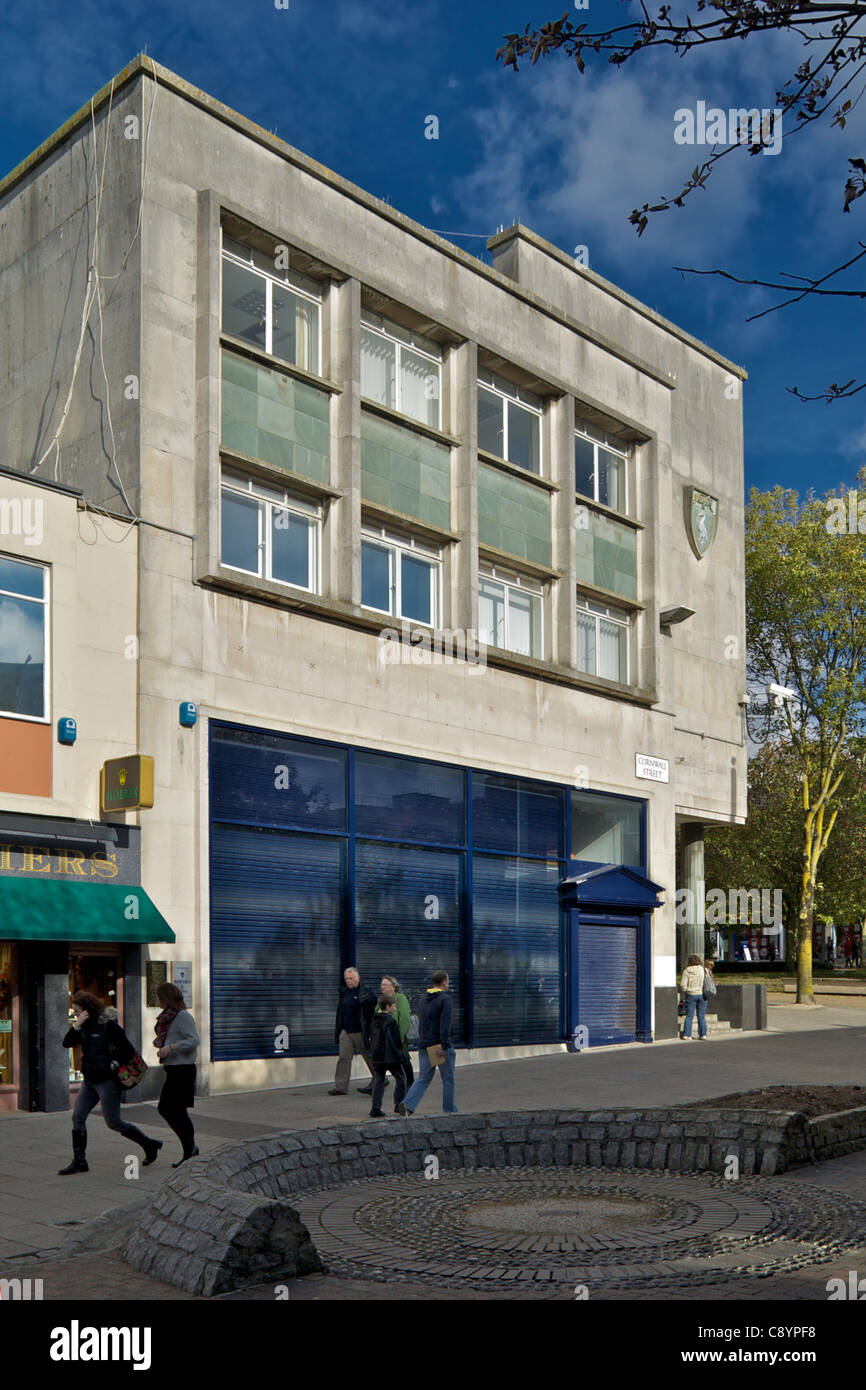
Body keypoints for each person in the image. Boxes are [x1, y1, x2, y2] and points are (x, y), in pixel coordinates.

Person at [59, 991, 162, 1174]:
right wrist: (76, 1025)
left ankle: (149, 1144)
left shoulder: (108, 1026)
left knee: (113, 1122)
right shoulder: (83, 1026)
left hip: (107, 1081)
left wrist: (112, 1065)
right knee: (78, 1117)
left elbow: (127, 1050)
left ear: (86, 1008)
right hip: (90, 1080)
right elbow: (67, 1043)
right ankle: (79, 1161)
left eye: (77, 1011)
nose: (75, 1014)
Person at [154, 982, 200, 1167]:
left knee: (169, 1109)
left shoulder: (182, 1016)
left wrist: (172, 1047)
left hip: (183, 1070)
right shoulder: (167, 1018)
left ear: (165, 998)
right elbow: (174, 1037)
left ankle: (190, 1148)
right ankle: (190, 1149)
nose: (155, 999)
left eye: (157, 996)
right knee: (174, 1110)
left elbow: (194, 1040)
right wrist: (162, 1044)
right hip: (173, 1069)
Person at [402, 969, 458, 1115]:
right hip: (439, 1045)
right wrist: (445, 1046)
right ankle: (449, 1110)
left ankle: (407, 1104)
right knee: (448, 1078)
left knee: (424, 1077)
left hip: (424, 1043)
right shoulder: (445, 1000)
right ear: (445, 981)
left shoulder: (423, 998)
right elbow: (445, 1026)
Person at [328, 967, 377, 1096]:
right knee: (344, 1057)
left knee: (369, 1056)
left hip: (360, 1031)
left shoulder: (365, 993)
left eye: (351, 978)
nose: (349, 981)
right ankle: (341, 1086)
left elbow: (371, 1014)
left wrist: (371, 1033)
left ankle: (380, 1079)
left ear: (358, 978)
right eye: (347, 979)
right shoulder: (344, 992)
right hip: (346, 1030)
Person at [368, 996, 407, 1117]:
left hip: (377, 1057)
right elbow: (395, 1041)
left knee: (378, 1081)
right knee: (401, 1079)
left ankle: (375, 1108)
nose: (395, 1008)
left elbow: (371, 1038)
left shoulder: (374, 1021)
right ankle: (398, 1105)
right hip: (390, 1057)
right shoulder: (390, 1021)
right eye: (394, 1006)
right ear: (388, 1007)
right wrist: (401, 1056)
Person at [379, 974, 414, 1088]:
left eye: (385, 984)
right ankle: (376, 1083)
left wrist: (400, 1035)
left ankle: (410, 1083)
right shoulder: (381, 1000)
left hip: (397, 1036)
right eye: (381, 984)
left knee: (403, 1059)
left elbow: (404, 1017)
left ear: (393, 987)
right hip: (384, 1038)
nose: (382, 987)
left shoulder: (400, 998)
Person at [679, 955, 708, 1040]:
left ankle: (686, 1035)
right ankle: (703, 1034)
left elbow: (683, 985)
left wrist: (687, 989)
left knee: (689, 1016)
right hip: (702, 994)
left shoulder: (686, 971)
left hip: (691, 994)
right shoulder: (702, 969)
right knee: (701, 1016)